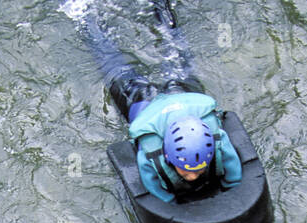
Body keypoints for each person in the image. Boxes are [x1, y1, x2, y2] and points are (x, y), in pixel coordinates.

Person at [73, 0, 242, 203]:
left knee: (176, 49)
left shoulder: (216, 138)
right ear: (168, 156)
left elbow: (233, 167)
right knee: (111, 62)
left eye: (198, 170)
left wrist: (233, 187)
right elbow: (153, 185)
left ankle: (160, 5)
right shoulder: (151, 152)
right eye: (186, 171)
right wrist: (171, 203)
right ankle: (82, 15)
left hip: (183, 94)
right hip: (143, 104)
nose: (193, 176)